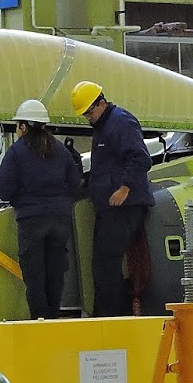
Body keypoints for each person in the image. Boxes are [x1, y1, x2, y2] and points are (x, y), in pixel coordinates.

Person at [0, 99, 83, 319]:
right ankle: (53, 319)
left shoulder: (17, 152)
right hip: (60, 220)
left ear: (24, 126)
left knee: (34, 276)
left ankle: (39, 322)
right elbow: (75, 183)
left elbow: (3, 189)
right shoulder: (60, 150)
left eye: (17, 126)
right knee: (55, 273)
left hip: (31, 220)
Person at [73, 79, 154, 317]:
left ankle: (112, 316)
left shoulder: (120, 122)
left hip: (125, 205)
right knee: (103, 263)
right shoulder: (105, 126)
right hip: (112, 206)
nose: (87, 117)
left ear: (101, 103)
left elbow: (140, 159)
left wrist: (124, 189)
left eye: (89, 112)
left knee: (106, 263)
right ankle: (109, 314)